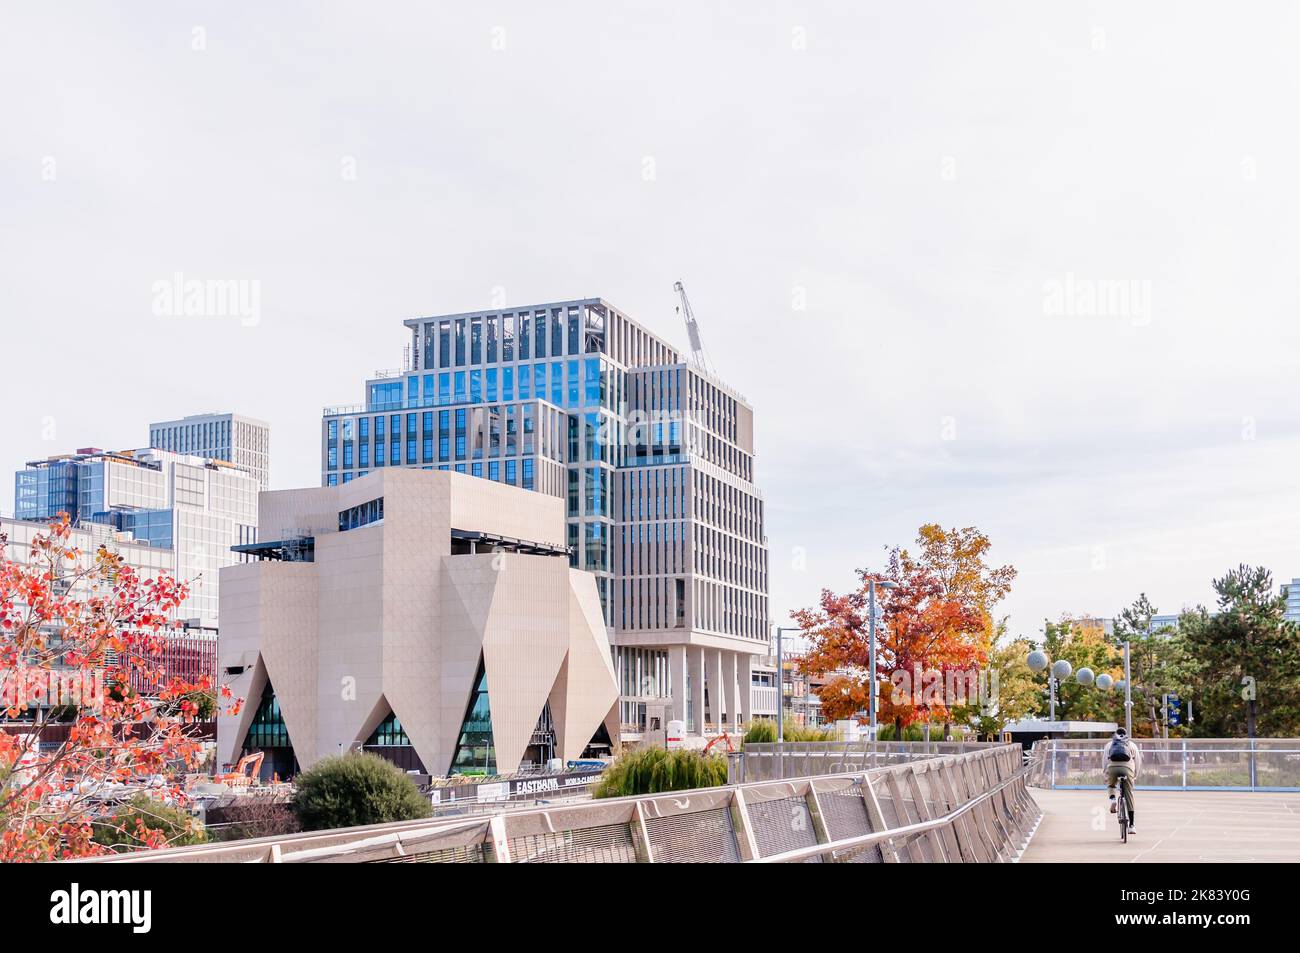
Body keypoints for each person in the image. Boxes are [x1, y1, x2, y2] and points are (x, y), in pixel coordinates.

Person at [1104, 727, 1141, 834]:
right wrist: (1135, 775)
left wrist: (1106, 774)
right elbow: (1137, 761)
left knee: (1111, 785)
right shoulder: (1132, 744)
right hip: (1127, 769)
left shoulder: (1109, 745)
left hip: (1112, 768)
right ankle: (1131, 826)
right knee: (1129, 794)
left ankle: (1113, 799)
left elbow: (1105, 762)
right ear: (1126, 735)